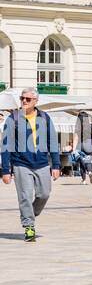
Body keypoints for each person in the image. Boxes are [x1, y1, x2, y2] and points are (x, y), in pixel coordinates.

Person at [1, 88, 61, 242]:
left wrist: (56, 165)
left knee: (44, 194)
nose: (24, 101)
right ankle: (29, 226)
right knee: (25, 197)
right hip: (21, 164)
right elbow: (6, 146)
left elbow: (53, 141)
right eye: (22, 98)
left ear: (36, 101)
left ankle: (29, 214)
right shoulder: (13, 118)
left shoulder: (44, 117)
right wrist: (5, 170)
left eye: (28, 99)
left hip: (42, 163)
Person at [72, 109, 92, 184]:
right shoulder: (91, 126)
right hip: (89, 144)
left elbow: (76, 139)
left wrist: (73, 149)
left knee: (82, 161)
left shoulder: (78, 127)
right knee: (88, 160)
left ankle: (84, 180)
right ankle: (89, 172)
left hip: (81, 145)